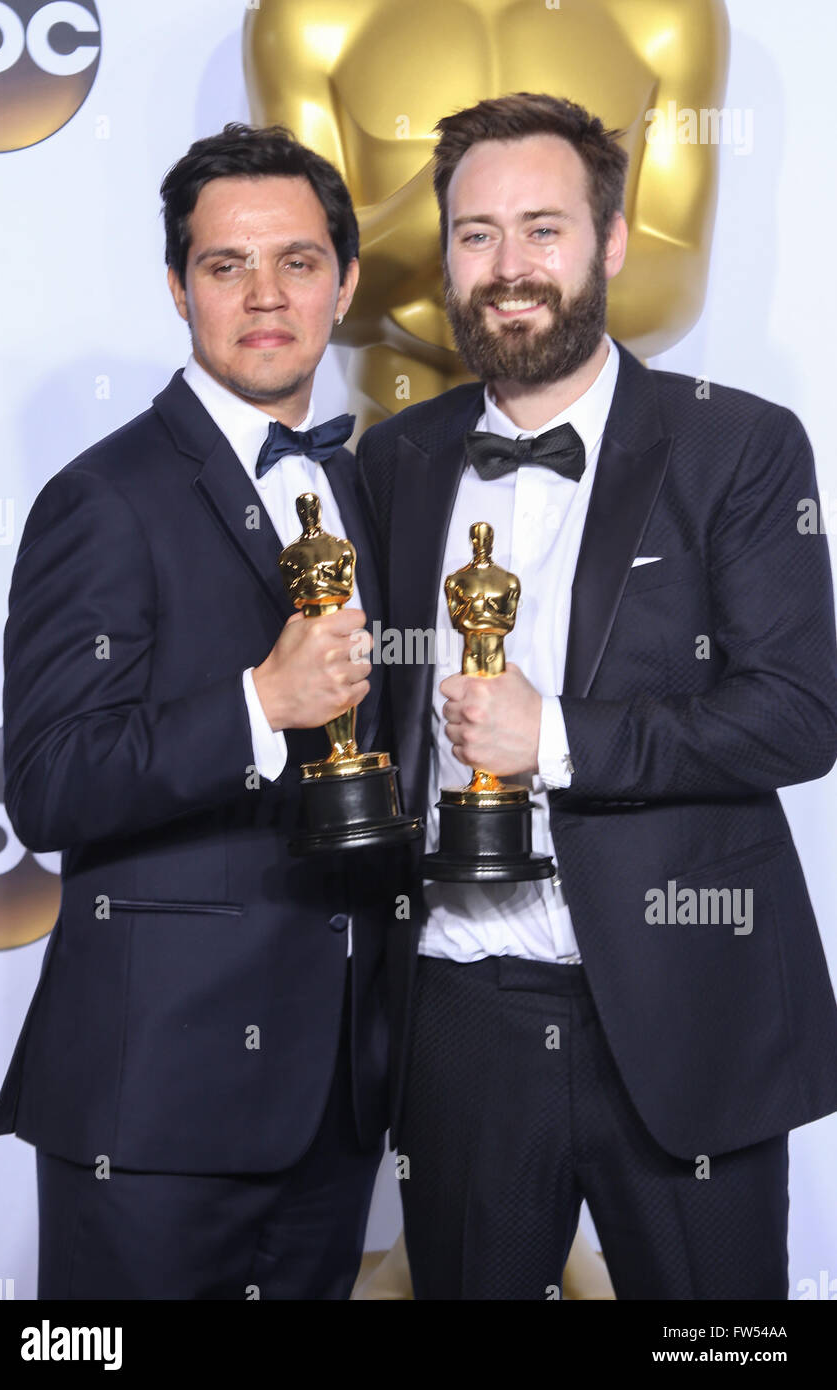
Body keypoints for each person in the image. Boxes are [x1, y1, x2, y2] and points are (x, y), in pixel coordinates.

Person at [357, 92, 837, 1300]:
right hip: (459, 1014)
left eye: (541, 229)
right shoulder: (390, 463)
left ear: (610, 243)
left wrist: (554, 737)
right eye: (474, 235)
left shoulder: (740, 446)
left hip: (685, 1006)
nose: (506, 268)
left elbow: (795, 710)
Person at [0, 122, 388, 1301]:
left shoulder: (364, 483)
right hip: (153, 1107)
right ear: (177, 287)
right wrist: (258, 703)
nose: (266, 296)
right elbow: (52, 780)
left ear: (345, 281)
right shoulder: (101, 496)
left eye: (298, 262)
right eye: (226, 266)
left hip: (333, 1101)